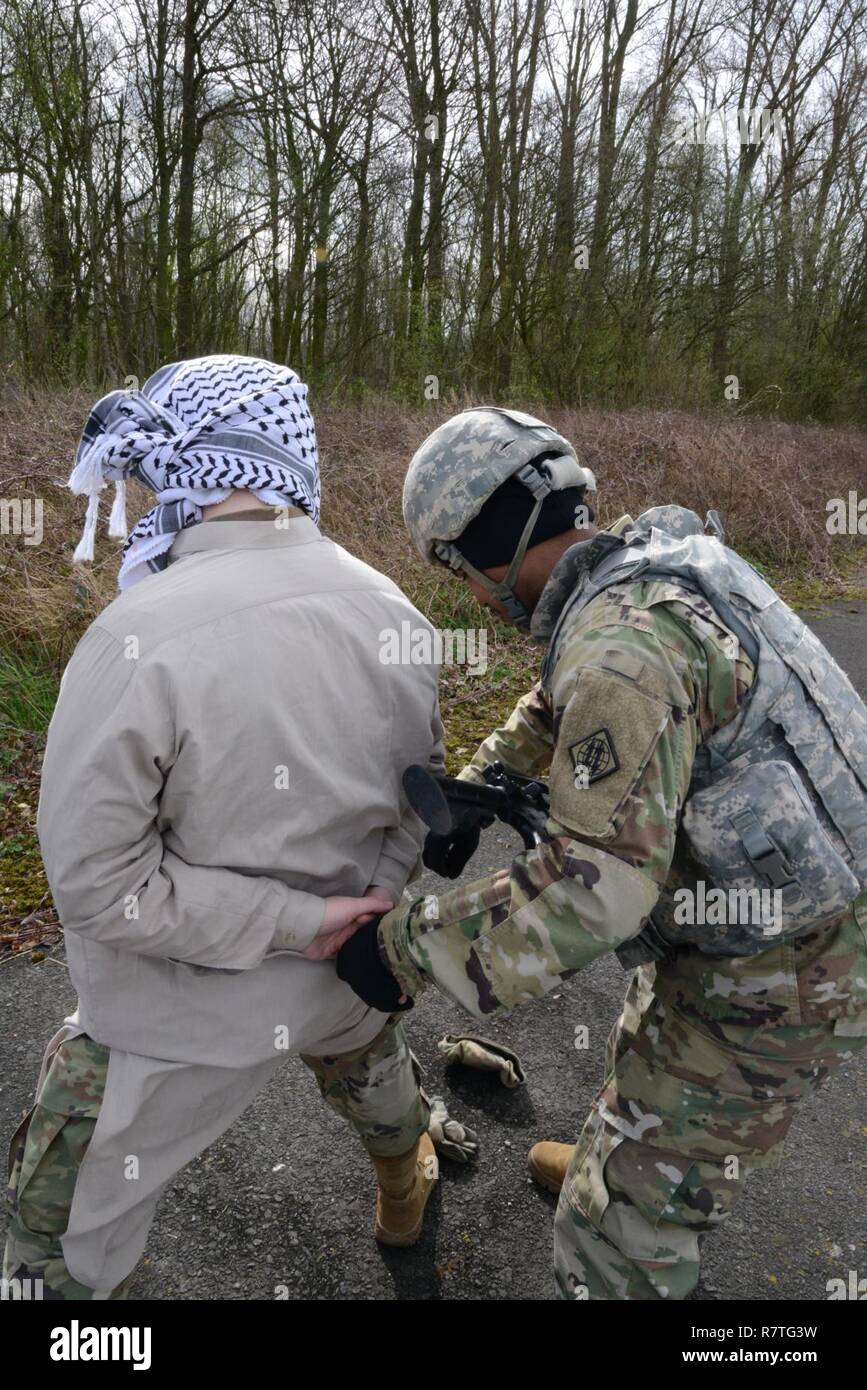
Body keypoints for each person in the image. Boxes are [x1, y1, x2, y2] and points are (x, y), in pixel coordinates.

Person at [337, 405, 867, 1301]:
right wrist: (481, 780)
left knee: (610, 1245)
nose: (470, 598)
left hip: (785, 971)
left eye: (459, 574)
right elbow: (561, 704)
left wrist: (400, 946)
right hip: (751, 913)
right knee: (643, 1033)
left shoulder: (622, 646)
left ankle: (635, 1196)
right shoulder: (656, 565)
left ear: (482, 553)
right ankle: (622, 1153)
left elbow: (591, 892)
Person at [3, 355, 442, 1301]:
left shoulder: (137, 638)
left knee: (57, 1248)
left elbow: (96, 888)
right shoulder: (396, 612)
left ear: (180, 467)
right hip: (348, 983)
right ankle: (404, 1192)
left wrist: (290, 923)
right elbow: (413, 804)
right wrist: (351, 917)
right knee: (374, 1079)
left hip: (168, 1023)